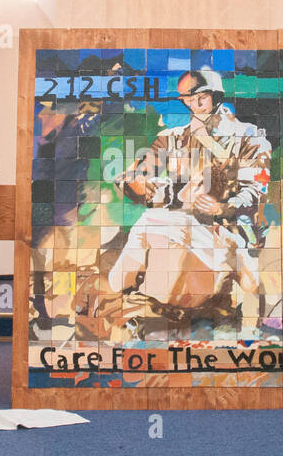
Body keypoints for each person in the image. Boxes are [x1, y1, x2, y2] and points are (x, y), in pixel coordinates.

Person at [106, 69, 272, 339]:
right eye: (187, 100)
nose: (193, 106)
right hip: (178, 224)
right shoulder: (172, 137)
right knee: (148, 225)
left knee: (249, 283)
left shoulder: (250, 138)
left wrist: (222, 207)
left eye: (200, 99)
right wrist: (136, 183)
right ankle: (123, 299)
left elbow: (255, 191)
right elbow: (134, 174)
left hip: (229, 230)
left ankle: (241, 322)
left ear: (216, 98)